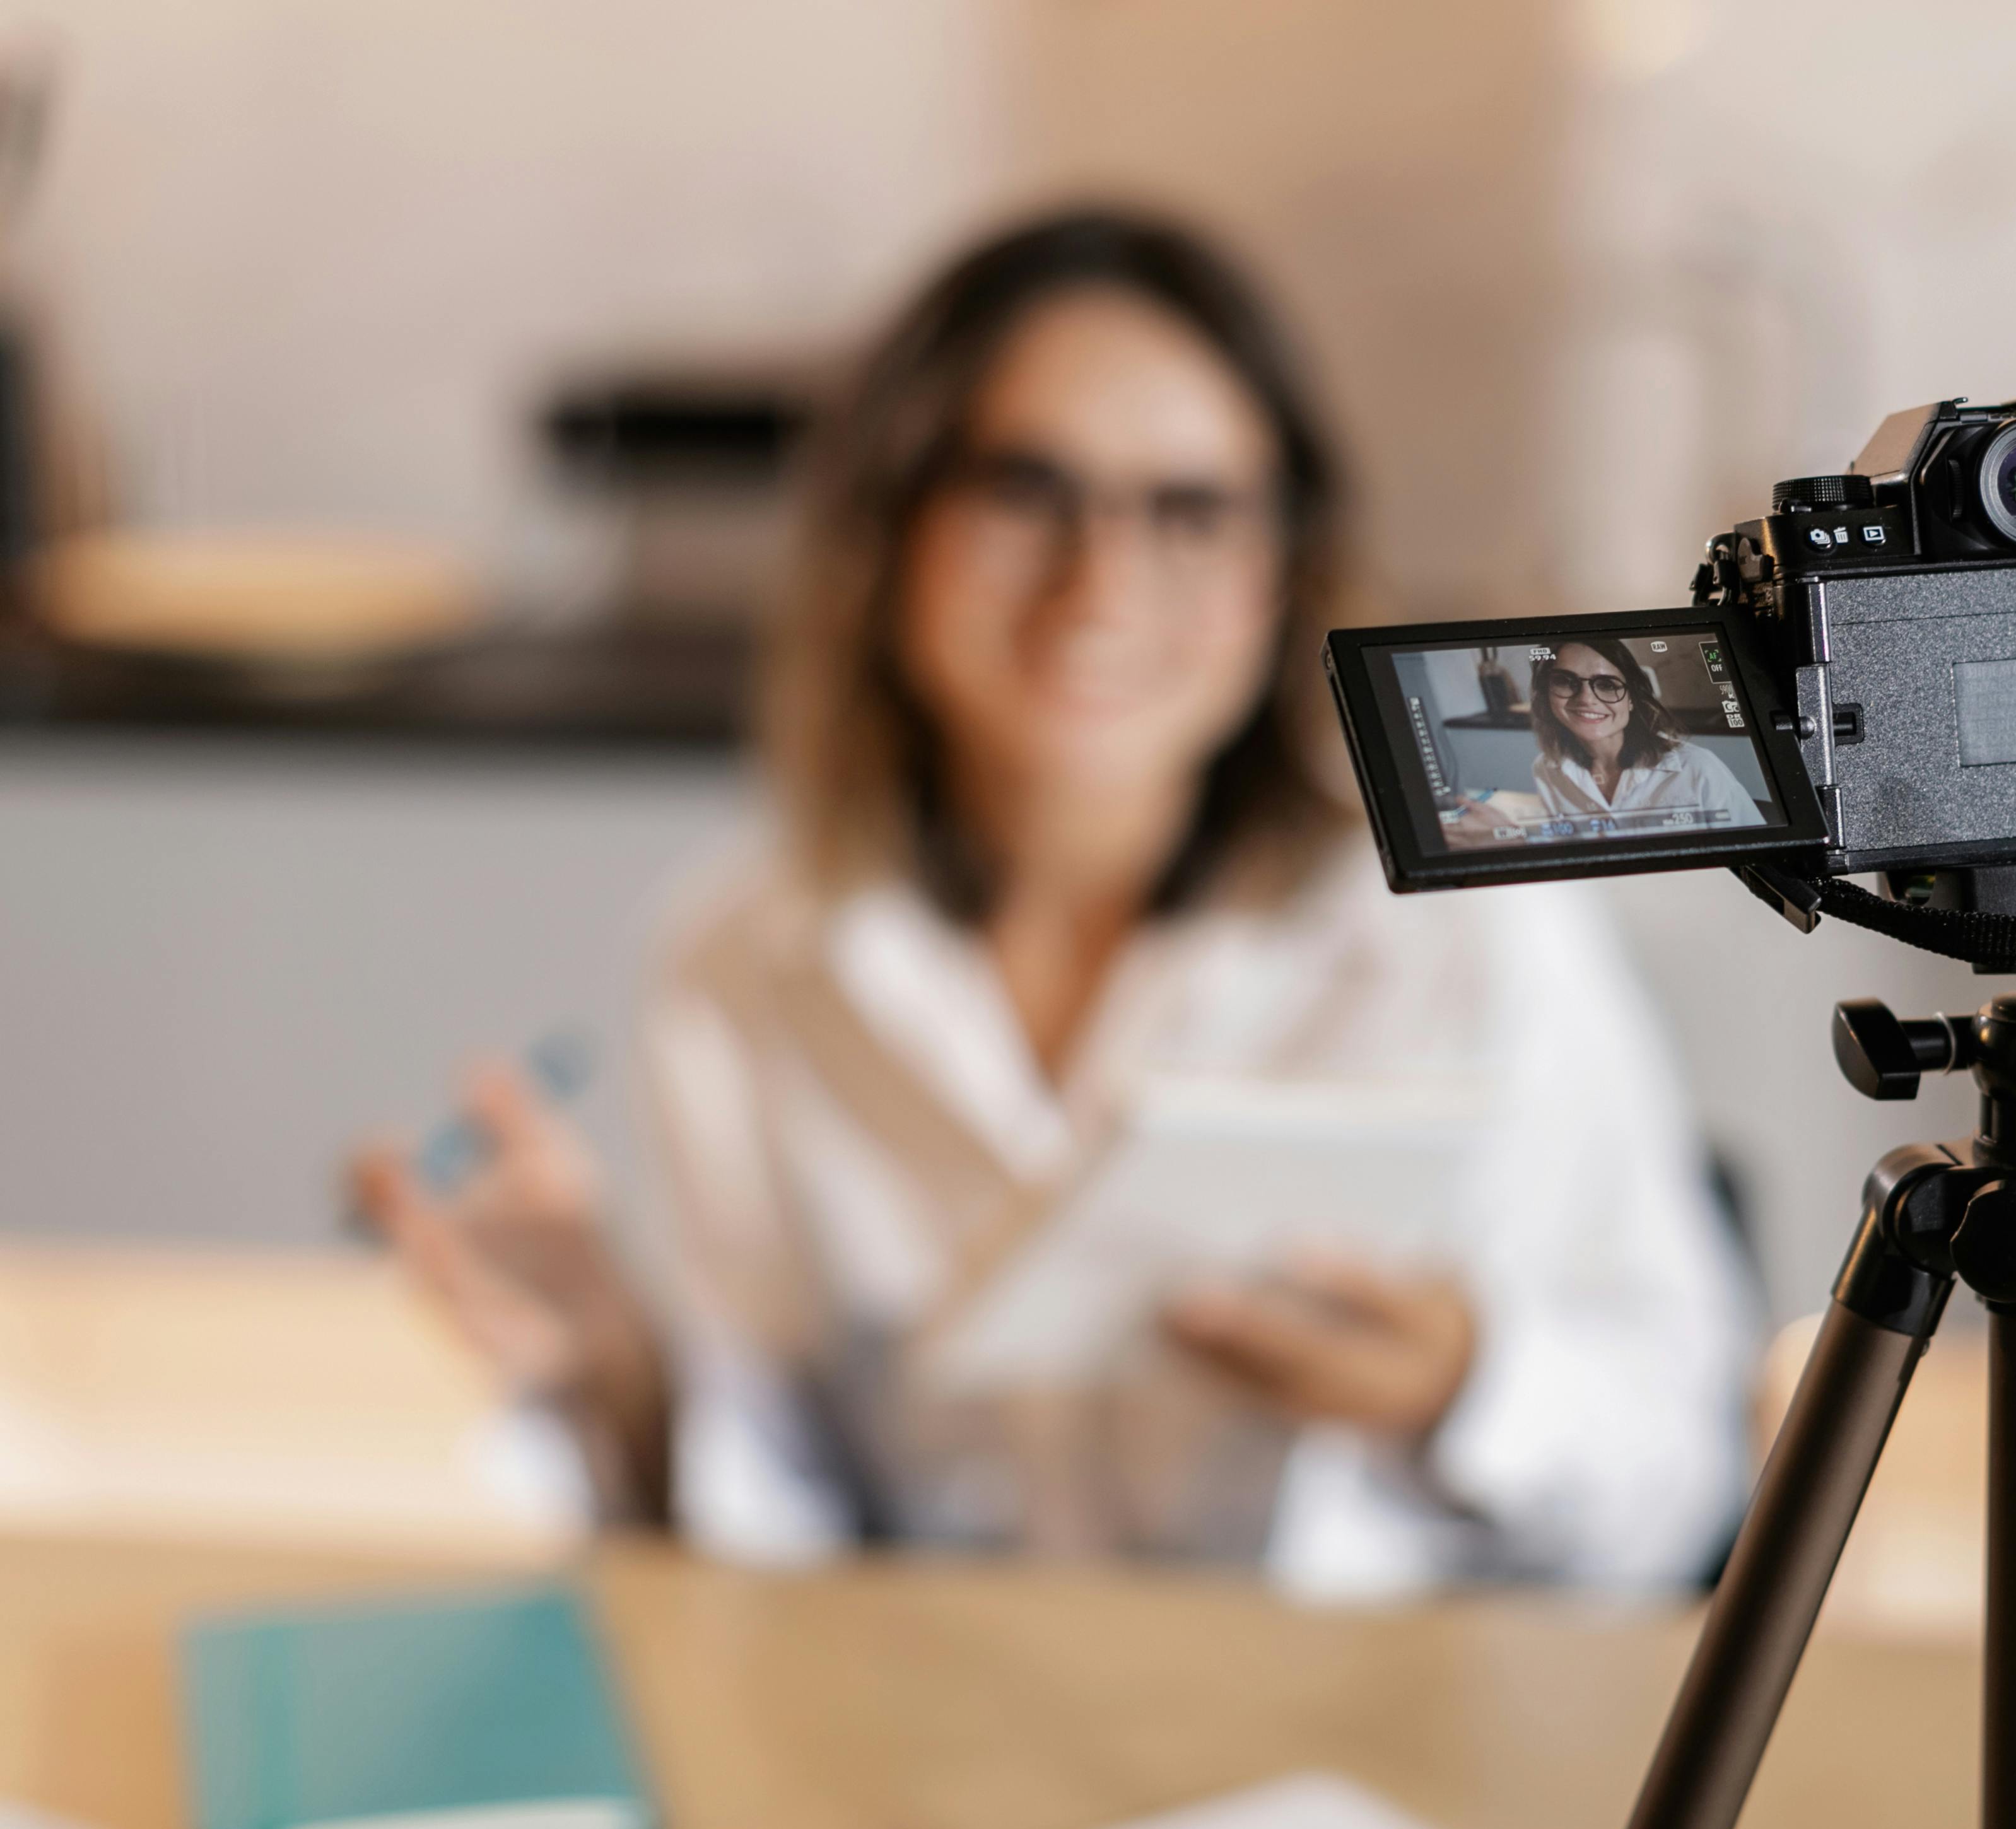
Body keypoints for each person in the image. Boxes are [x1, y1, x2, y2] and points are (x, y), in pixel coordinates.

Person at [351, 210, 1752, 1596]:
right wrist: (616, 1365)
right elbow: (770, 1554)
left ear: (1280, 569)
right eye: (1026, 490)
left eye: (1191, 508)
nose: (1104, 580)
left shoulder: (1466, 930)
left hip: (1370, 1742)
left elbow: (1676, 1483)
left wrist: (1455, 1389)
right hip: (931, 1745)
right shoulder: (740, 960)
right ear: (889, 535)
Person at [1528, 638, 1766, 830]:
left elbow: (1759, 864)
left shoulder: (1699, 769)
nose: (1586, 700)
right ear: (1546, 695)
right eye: (1565, 681)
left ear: (1632, 699)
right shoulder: (1547, 769)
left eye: (1607, 685)